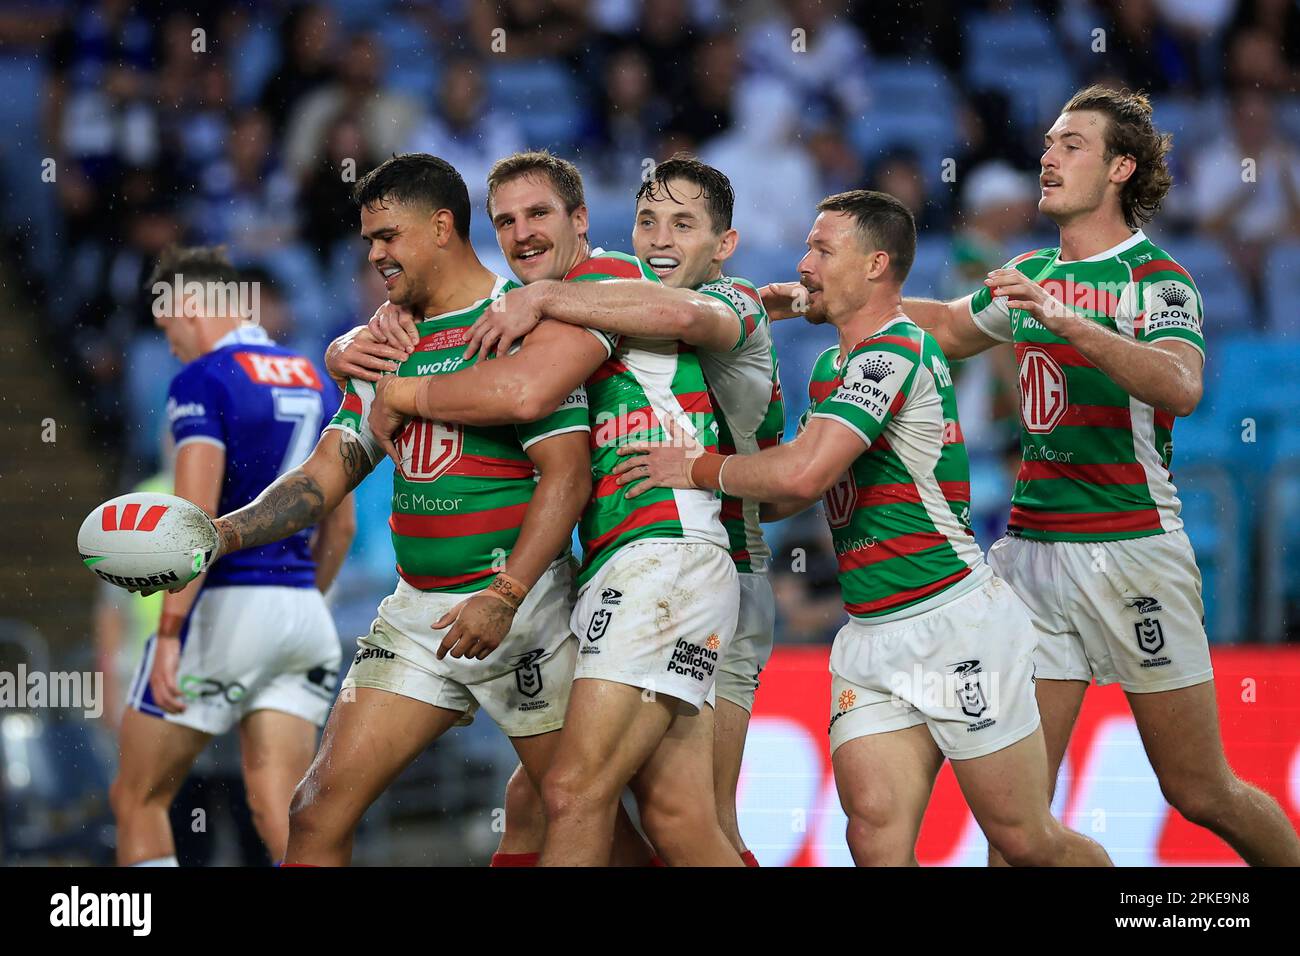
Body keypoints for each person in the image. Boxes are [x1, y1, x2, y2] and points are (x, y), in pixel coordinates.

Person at [156, 155, 654, 867]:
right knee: (315, 810)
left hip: (522, 609)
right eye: (367, 241)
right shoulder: (384, 343)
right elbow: (328, 473)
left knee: (584, 821)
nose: (375, 254)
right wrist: (217, 534)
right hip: (418, 613)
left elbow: (566, 479)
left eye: (388, 236)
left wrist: (506, 594)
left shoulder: (522, 320)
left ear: (442, 228)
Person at [615, 189, 1113, 866]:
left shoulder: (895, 354)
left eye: (822, 249)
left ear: (876, 265)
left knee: (1026, 840)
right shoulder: (832, 368)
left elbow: (800, 474)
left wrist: (697, 468)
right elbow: (800, 486)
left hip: (952, 624)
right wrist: (685, 512)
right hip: (871, 636)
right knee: (872, 835)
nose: (803, 264)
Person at [891, 86, 1300, 865]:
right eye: (1048, 142)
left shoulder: (1159, 279)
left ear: (1120, 168)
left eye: (1071, 144)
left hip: (1134, 550)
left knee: (1199, 791)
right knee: (1017, 821)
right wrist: (847, 303)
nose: (1047, 155)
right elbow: (946, 326)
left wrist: (1066, 320)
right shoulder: (1030, 270)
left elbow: (1180, 386)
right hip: (1035, 558)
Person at [364, 151, 746, 866]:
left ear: (580, 221)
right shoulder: (547, 298)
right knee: (669, 817)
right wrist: (357, 339)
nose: (522, 233)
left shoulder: (596, 282)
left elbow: (524, 394)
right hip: (641, 562)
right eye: (505, 221)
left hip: (663, 555)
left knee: (571, 794)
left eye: (538, 214)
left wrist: (403, 394)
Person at [110, 245, 350, 867]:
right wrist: (298, 599)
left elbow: (193, 526)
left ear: (190, 305)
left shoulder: (203, 381)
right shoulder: (312, 375)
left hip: (226, 611)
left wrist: (168, 633)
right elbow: (341, 525)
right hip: (305, 616)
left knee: (138, 798)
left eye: (167, 329)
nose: (169, 346)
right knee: (282, 811)